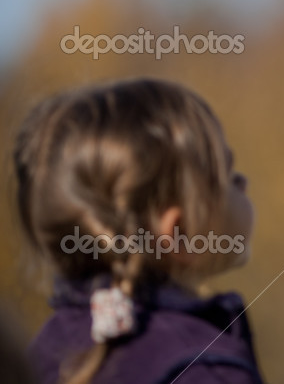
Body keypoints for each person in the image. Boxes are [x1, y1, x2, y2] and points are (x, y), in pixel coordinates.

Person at [12, 78, 263, 384]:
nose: (244, 183)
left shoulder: (36, 355)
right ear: (179, 233)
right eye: (228, 172)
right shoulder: (205, 369)